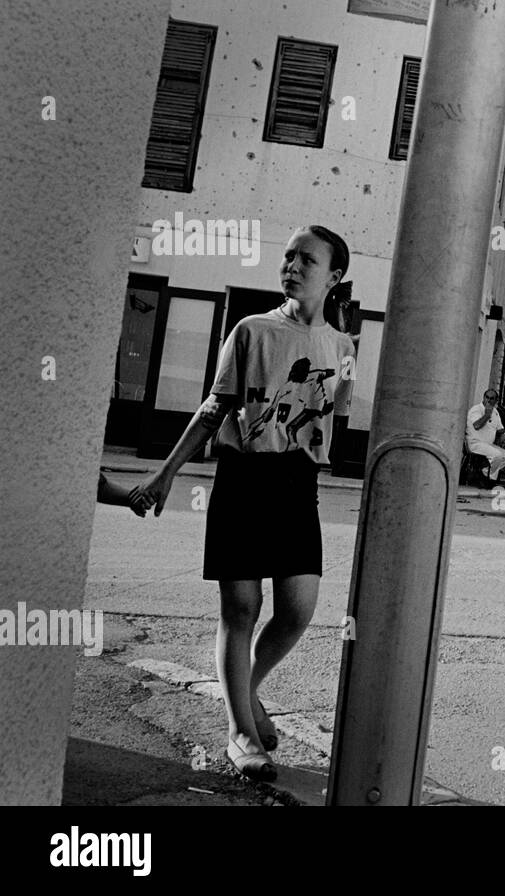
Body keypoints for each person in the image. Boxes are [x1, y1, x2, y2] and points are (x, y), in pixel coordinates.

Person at [132, 225, 356, 782]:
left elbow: (332, 418)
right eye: (288, 256)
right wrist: (165, 474)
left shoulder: (344, 347)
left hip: (297, 482)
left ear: (333, 277)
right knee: (241, 609)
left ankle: (246, 693)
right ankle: (240, 733)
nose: (292, 265)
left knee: (298, 609)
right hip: (244, 475)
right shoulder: (251, 330)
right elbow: (214, 409)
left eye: (307, 259)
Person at [466, 388, 505, 482]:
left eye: (492, 398)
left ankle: (486, 472)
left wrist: (502, 433)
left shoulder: (495, 412)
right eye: (487, 397)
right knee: (497, 455)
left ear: (496, 401)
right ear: (483, 398)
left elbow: (500, 428)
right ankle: (490, 480)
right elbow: (477, 425)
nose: (489, 400)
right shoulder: (476, 409)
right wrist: (487, 415)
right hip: (475, 443)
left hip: (488, 444)